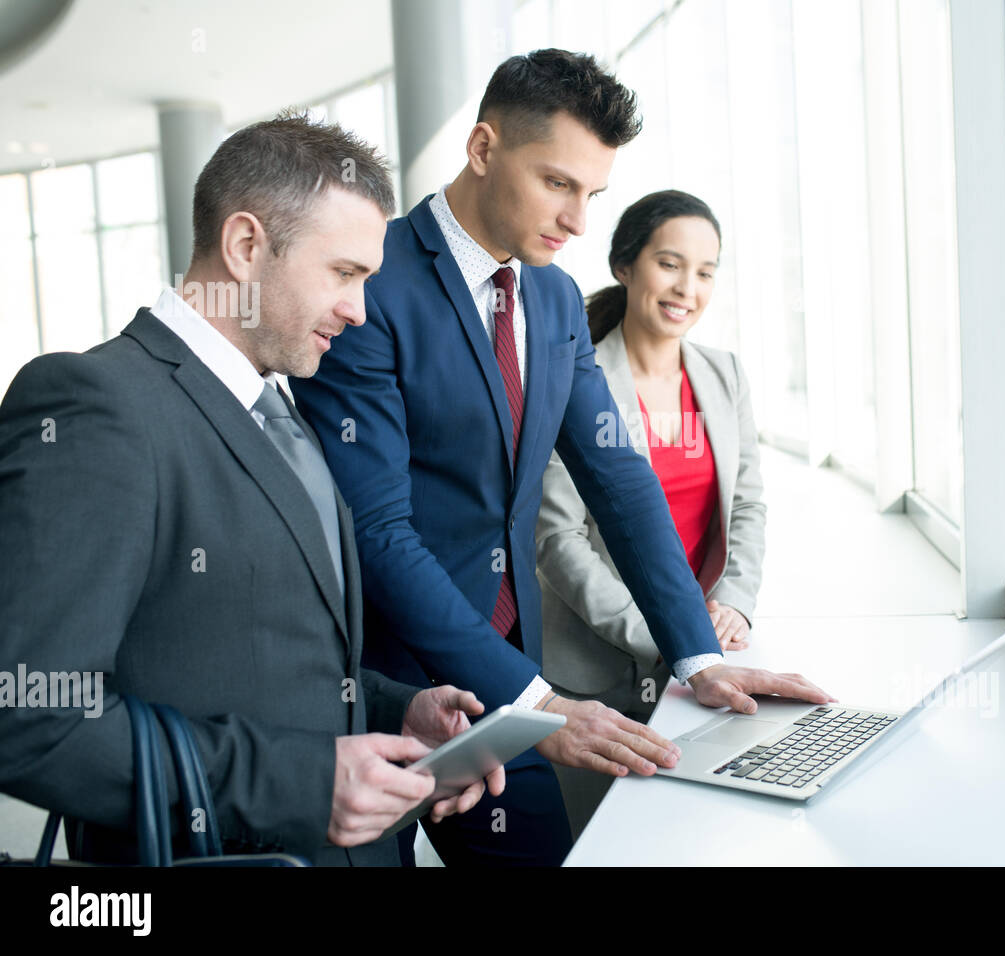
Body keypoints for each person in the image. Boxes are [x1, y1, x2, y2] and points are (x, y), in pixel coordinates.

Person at [290, 49, 831, 868]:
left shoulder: (551, 298)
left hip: (516, 684)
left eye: (593, 194)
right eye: (557, 184)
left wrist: (700, 654)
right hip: (387, 688)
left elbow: (617, 478)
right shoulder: (373, 282)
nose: (579, 220)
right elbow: (377, 530)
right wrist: (539, 699)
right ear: (482, 149)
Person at [0, 113, 502, 866]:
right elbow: (33, 714)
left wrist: (400, 710)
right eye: (344, 273)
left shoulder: (281, 411)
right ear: (244, 247)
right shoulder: (95, 404)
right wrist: (297, 782)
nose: (360, 310)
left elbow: (265, 652)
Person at [534, 189, 764, 836]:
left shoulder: (725, 376)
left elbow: (747, 503)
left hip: (704, 654)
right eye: (669, 263)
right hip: (596, 667)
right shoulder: (578, 381)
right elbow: (558, 540)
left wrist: (734, 604)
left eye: (706, 271)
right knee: (597, 842)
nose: (687, 287)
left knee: (692, 837)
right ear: (624, 265)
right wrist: (670, 635)